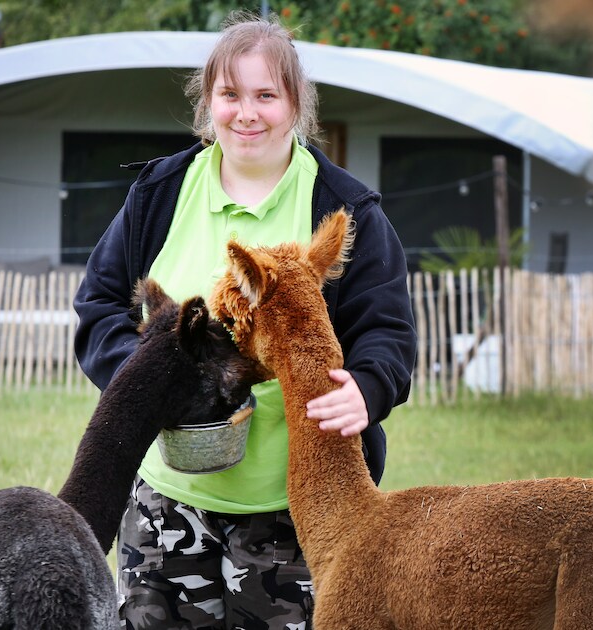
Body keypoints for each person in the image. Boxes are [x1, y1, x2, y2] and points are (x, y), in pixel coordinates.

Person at [73, 11, 416, 628]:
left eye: (266, 95)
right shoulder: (158, 195)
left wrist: (369, 388)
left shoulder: (344, 208)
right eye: (230, 94)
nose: (247, 113)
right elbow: (98, 305)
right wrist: (143, 377)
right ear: (208, 102)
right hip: (165, 503)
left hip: (295, 507)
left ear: (297, 105)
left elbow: (387, 332)